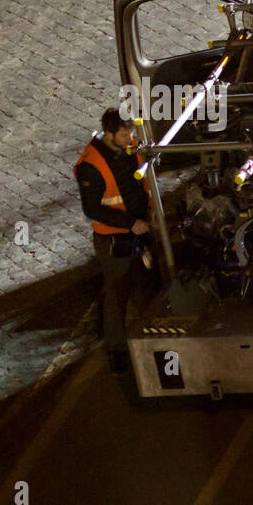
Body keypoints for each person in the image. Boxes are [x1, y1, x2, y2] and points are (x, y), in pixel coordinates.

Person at [74, 109, 154, 373]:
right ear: (108, 134)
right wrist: (130, 223)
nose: (129, 137)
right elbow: (93, 209)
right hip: (114, 240)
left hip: (139, 231)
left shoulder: (128, 147)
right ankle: (118, 352)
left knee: (145, 285)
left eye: (130, 132)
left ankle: (149, 338)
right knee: (117, 295)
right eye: (123, 134)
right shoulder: (90, 165)